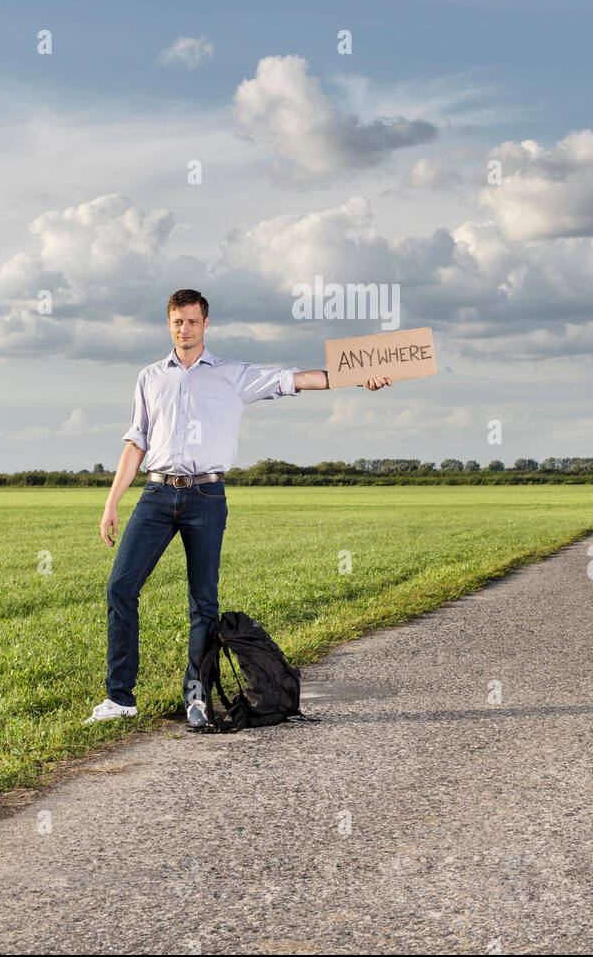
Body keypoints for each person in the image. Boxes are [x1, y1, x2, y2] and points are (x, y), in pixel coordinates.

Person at [85, 288, 390, 726]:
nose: (184, 329)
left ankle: (196, 696)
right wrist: (111, 502)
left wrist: (359, 378)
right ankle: (119, 698)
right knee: (120, 586)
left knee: (202, 601)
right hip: (155, 494)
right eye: (176, 322)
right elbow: (136, 442)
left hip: (206, 496)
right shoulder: (150, 376)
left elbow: (296, 380)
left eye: (191, 321)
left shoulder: (233, 375)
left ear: (205, 324)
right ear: (168, 324)